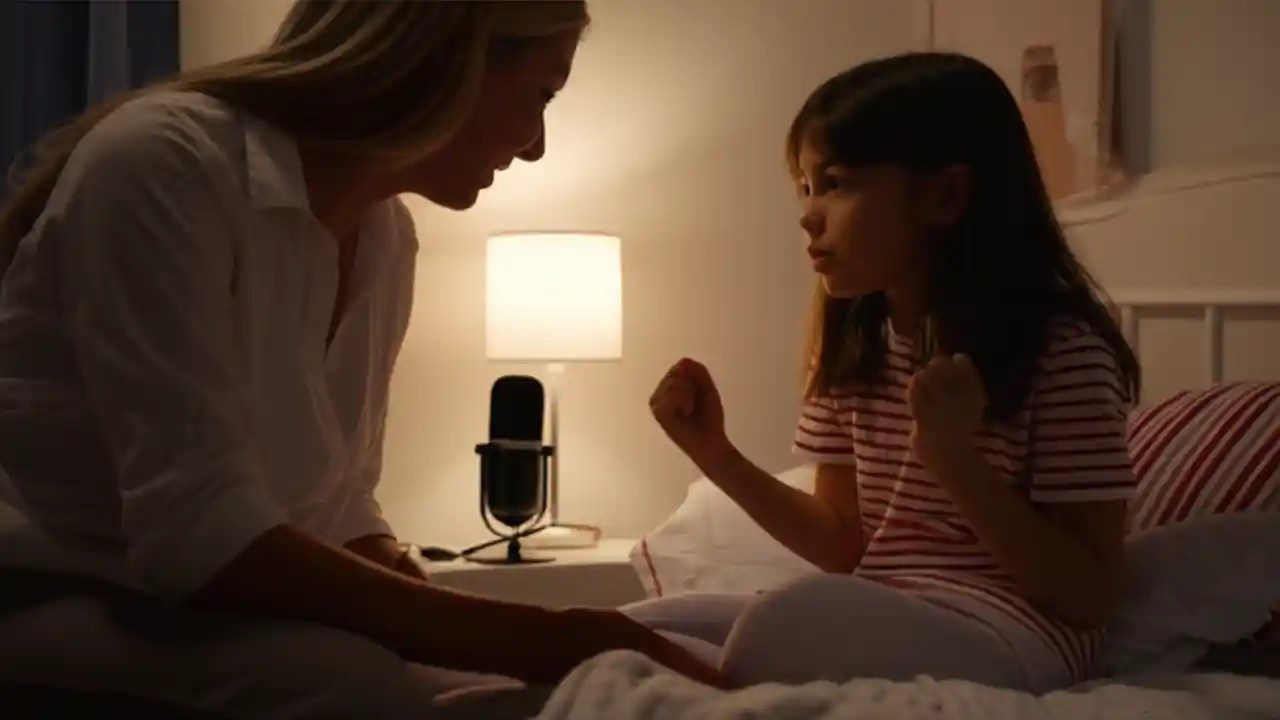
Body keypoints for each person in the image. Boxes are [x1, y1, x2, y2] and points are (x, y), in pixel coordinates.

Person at [0, 2, 721, 717]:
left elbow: (340, 506)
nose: (535, 146)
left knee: (544, 699)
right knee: (352, 684)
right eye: (542, 94)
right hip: (55, 589)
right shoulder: (165, 163)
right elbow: (199, 534)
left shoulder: (385, 239)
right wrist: (550, 637)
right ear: (452, 64)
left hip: (206, 610)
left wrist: (482, 625)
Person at [642, 52, 1142, 694]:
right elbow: (844, 544)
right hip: (891, 605)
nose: (808, 213)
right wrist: (715, 454)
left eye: (836, 183)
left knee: (784, 621)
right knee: (639, 626)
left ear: (945, 196)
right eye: (806, 186)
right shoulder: (859, 346)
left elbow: (1089, 596)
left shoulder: (1064, 351)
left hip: (1013, 631)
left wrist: (955, 461)